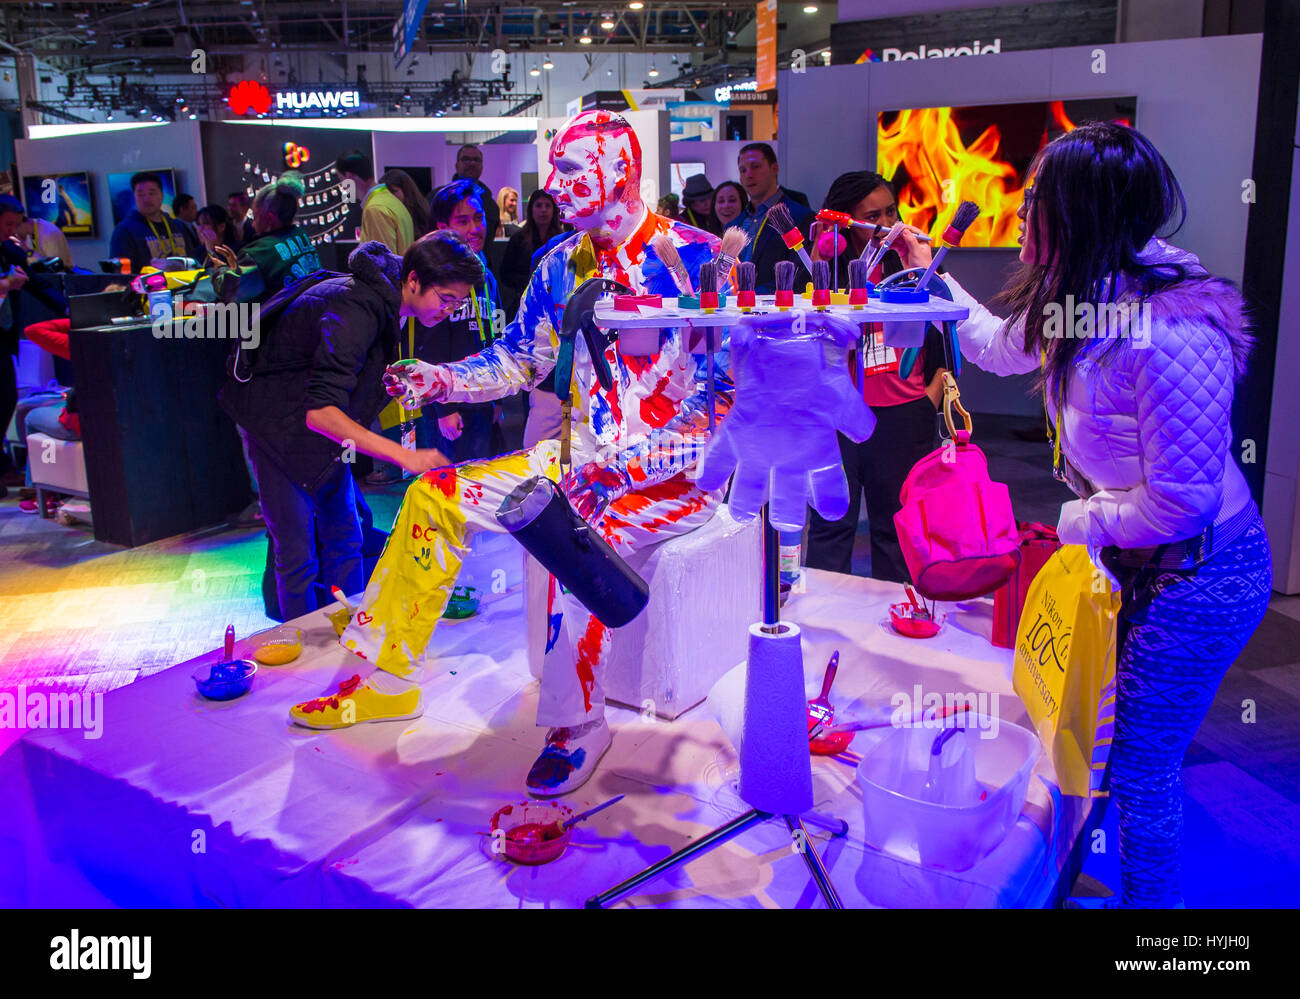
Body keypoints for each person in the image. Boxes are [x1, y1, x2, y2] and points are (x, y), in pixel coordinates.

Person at [292, 110, 725, 799]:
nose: (555, 184)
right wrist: (445, 380)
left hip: (668, 476)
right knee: (433, 494)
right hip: (574, 459)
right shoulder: (559, 263)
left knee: (567, 533)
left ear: (619, 169)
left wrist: (636, 466)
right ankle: (383, 675)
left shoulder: (697, 258)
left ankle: (577, 723)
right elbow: (519, 358)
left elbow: (724, 400)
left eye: (573, 170)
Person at [892, 122, 1270, 909]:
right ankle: (1083, 883)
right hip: (1137, 562)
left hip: (1203, 575)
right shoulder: (1086, 294)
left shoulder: (1171, 333)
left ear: (1084, 212)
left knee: (1141, 766)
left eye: (1039, 198)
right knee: (1092, 743)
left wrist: (1079, 523)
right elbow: (998, 345)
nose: (1022, 209)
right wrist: (930, 276)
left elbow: (1182, 500)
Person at [218, 232, 482, 622]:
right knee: (297, 556)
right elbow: (321, 412)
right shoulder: (358, 305)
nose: (449, 310)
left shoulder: (382, 299)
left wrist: (385, 382)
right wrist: (404, 455)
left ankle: (349, 634)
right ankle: (302, 658)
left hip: (316, 434)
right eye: (445, 299)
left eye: (458, 303)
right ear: (412, 281)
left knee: (346, 538)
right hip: (276, 432)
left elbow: (326, 375)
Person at [804, 171, 948, 581]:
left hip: (904, 415)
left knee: (897, 530)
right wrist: (818, 266)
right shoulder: (820, 270)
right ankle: (824, 623)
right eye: (873, 216)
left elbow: (945, 339)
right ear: (844, 223)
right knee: (832, 527)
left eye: (891, 212)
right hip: (837, 420)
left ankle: (899, 625)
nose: (888, 225)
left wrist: (928, 400)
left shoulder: (912, 267)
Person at [419, 179, 505, 462]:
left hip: (481, 396)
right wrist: (443, 408)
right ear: (443, 228)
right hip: (448, 401)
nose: (475, 228)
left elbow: (495, 334)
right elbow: (428, 347)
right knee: (448, 484)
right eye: (463, 221)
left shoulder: (485, 274)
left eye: (478, 218)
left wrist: (497, 397)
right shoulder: (436, 277)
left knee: (478, 482)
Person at [211, 173, 322, 303]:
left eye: (256, 217)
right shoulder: (300, 235)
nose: (253, 223)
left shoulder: (261, 253)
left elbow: (229, 291)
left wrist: (221, 269)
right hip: (311, 316)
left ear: (269, 218)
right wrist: (238, 267)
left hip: (278, 321)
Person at [735, 142, 814, 293]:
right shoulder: (736, 223)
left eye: (755, 167)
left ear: (774, 168)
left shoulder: (800, 216)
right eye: (742, 170)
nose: (748, 174)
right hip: (736, 307)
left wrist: (753, 295)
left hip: (777, 309)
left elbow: (799, 276)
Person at [108, 172, 203, 271]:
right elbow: (120, 273)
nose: (146, 199)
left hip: (185, 283)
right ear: (134, 197)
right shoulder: (125, 231)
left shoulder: (177, 226)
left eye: (151, 193)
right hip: (149, 285)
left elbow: (193, 260)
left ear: (161, 195)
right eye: (140, 194)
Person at [336, 152, 414, 255]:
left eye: (341, 180)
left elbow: (383, 263)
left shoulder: (375, 208)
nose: (343, 187)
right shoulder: (390, 200)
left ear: (349, 177)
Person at [450, 143, 500, 243]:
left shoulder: (490, 204)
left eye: (476, 160)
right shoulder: (441, 199)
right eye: (466, 159)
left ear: (482, 167)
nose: (472, 163)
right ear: (456, 166)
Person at [379, 168, 432, 239]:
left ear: (406, 190)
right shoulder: (386, 212)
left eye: (393, 191)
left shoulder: (422, 212)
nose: (389, 196)